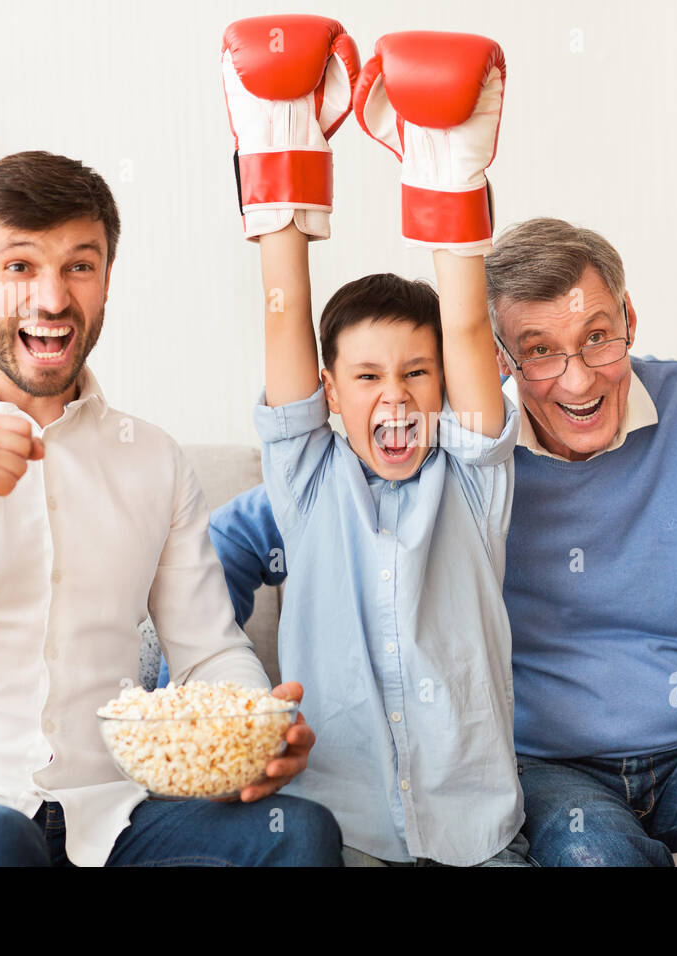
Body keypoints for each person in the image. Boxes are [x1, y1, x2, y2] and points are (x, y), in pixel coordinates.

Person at [208, 216, 677, 866]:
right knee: (593, 854)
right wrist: (212, 689)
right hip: (549, 768)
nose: (577, 379)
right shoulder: (454, 457)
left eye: (597, 338)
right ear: (497, 360)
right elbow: (244, 539)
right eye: (540, 351)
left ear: (630, 320)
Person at [0, 150, 341, 867]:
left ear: (106, 277)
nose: (51, 300)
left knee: (300, 834)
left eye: (79, 265)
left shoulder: (154, 460)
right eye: (19, 267)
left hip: (107, 817)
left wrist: (254, 728)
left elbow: (207, 648)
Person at [219, 16, 527, 866]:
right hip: (342, 834)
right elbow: (284, 309)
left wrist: (447, 162)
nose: (394, 396)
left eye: (417, 374)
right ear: (329, 394)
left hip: (476, 839)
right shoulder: (308, 479)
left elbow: (465, 323)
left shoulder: (472, 482)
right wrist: (276, 138)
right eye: (366, 377)